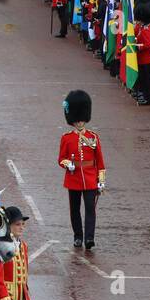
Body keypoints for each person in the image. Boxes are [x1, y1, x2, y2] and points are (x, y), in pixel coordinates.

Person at [57, 89, 104, 249]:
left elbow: (100, 161)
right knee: (75, 210)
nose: (79, 123)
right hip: (74, 177)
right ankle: (78, 236)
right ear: (72, 119)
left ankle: (89, 238)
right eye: (77, 120)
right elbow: (61, 158)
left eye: (81, 120)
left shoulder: (93, 137)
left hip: (90, 178)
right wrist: (67, 164)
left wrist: (101, 180)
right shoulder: (66, 138)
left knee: (90, 209)